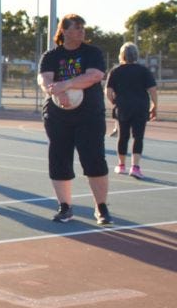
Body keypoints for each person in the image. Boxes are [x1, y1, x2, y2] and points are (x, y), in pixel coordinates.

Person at [37, 14, 111, 225]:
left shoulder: (92, 53)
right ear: (64, 31)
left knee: (94, 159)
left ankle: (101, 207)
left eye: (82, 28)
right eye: (77, 28)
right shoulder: (51, 56)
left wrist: (66, 85)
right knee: (59, 159)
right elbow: (45, 79)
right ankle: (65, 207)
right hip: (58, 116)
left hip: (89, 115)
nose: (81, 31)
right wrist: (55, 91)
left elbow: (94, 76)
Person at [106, 42, 158, 179]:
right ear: (136, 55)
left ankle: (121, 165)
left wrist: (114, 102)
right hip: (140, 106)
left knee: (123, 136)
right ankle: (135, 167)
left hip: (123, 106)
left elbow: (108, 91)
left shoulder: (115, 71)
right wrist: (155, 105)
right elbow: (152, 90)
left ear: (121, 55)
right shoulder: (144, 70)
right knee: (138, 136)